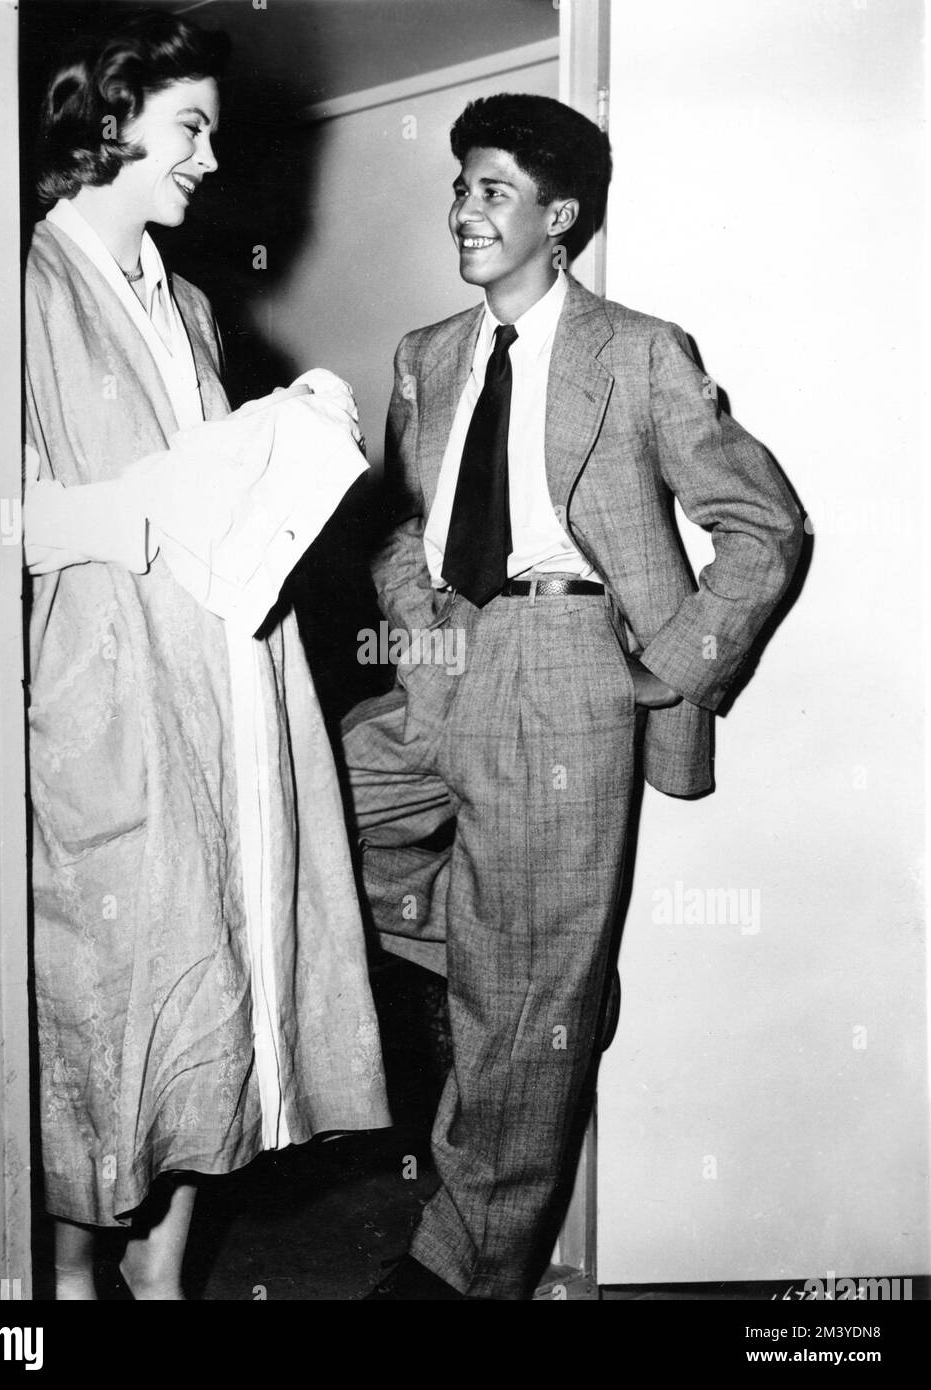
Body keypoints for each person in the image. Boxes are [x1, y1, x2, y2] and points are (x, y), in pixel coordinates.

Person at [342, 93, 803, 1301]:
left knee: (522, 999)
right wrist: (418, 611)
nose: (462, 208)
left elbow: (763, 524)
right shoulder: (424, 356)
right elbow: (399, 521)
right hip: (447, 654)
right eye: (458, 186)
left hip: (566, 664)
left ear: (560, 216)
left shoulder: (640, 350)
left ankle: (457, 1272)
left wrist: (673, 658)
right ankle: (545, 969)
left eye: (491, 188)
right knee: (306, 809)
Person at [23, 10, 389, 1300]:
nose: (208, 161)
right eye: (190, 129)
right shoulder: (20, 289)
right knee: (114, 989)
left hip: (234, 678)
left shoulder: (185, 302)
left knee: (232, 968)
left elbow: (228, 504)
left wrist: (280, 437)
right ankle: (69, 1282)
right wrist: (169, 487)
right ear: (109, 120)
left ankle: (164, 1281)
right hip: (111, 689)